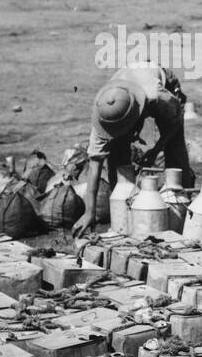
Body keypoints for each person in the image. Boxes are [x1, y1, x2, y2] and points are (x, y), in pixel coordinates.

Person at [72, 65, 194, 236]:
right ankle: (124, 211)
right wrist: (89, 212)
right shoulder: (105, 114)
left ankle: (185, 213)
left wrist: (155, 150)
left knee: (175, 151)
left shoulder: (158, 96)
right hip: (127, 87)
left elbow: (175, 121)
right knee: (117, 156)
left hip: (159, 84)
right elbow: (95, 164)